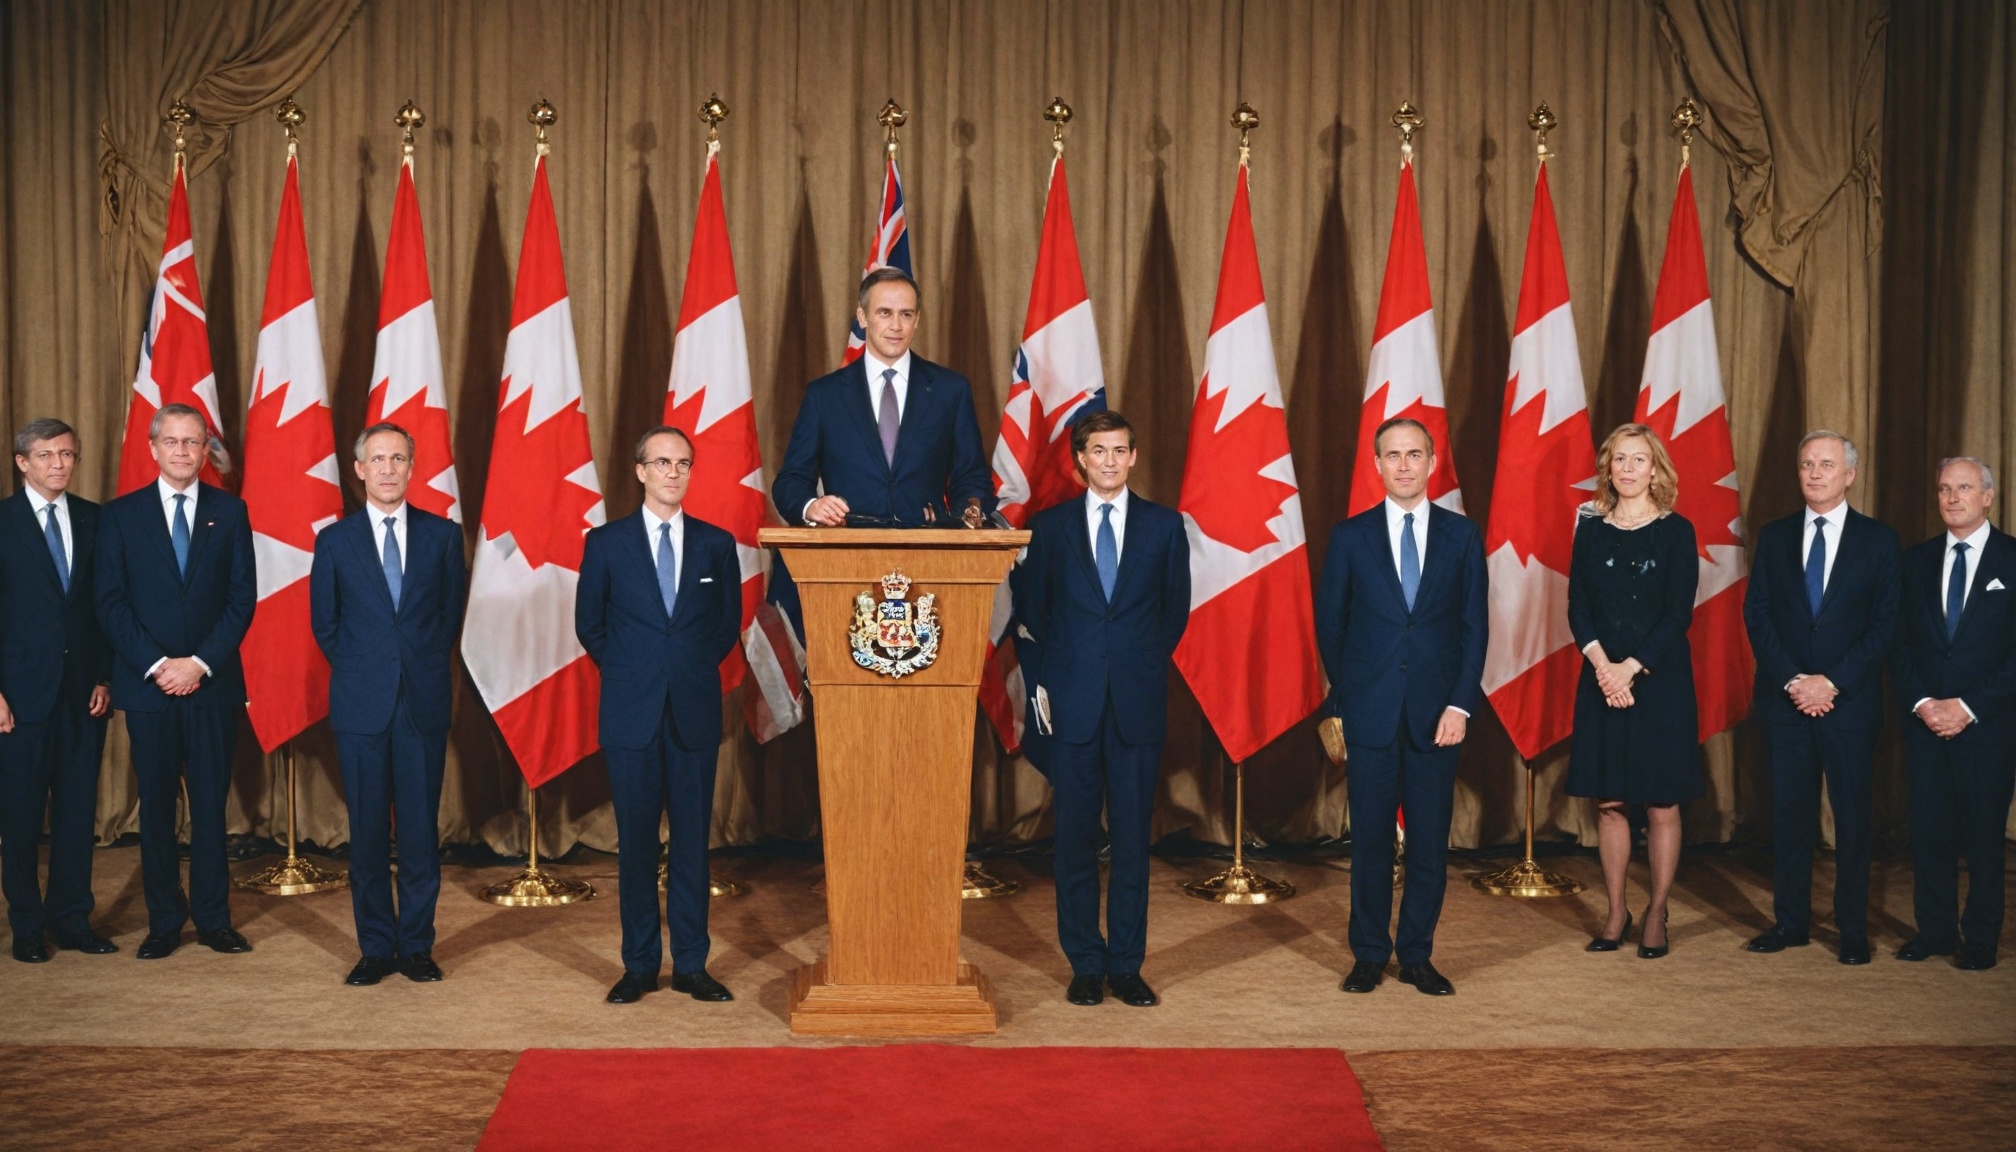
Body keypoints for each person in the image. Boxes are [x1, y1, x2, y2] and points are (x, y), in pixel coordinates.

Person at [1010, 410, 1189, 1008]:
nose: (1109, 461)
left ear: (1134, 456)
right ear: (1079, 459)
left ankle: (1127, 966)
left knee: (1134, 842)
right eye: (1098, 451)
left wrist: (1129, 664)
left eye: (1120, 450)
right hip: (1074, 706)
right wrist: (1066, 674)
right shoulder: (1051, 528)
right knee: (1076, 842)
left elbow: (1173, 614)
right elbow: (1034, 612)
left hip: (1136, 705)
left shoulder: (1164, 528)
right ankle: (1085, 962)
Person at [1317, 417, 1487, 996]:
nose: (1405, 465)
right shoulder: (1350, 537)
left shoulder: (1462, 536)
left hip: (1437, 716)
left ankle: (1416, 954)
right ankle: (1368, 953)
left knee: (1429, 844)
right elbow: (1330, 629)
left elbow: (1474, 629)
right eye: (1394, 455)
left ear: (1432, 462)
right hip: (1370, 714)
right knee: (1367, 840)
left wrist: (1460, 706)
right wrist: (1352, 696)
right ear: (1377, 465)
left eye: (1415, 454)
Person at [577, 426, 741, 1005]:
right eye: (663, 462)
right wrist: (634, 670)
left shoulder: (717, 545)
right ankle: (641, 964)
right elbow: (589, 626)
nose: (674, 473)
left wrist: (683, 668)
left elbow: (725, 627)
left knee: (694, 844)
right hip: (631, 714)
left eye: (684, 464)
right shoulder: (606, 544)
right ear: (640, 471)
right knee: (638, 845)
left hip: (693, 713)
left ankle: (693, 964)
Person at [96, 403, 257, 960]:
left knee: (212, 806)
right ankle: (164, 921)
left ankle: (214, 919)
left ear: (204, 448)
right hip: (148, 688)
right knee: (157, 807)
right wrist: (160, 666)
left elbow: (242, 600)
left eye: (193, 442)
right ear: (153, 448)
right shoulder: (119, 516)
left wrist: (199, 664)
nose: (183, 452)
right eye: (172, 442)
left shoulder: (230, 513)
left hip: (211, 684)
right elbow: (111, 603)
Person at [309, 423, 467, 987]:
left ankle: (417, 946)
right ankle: (375, 947)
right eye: (377, 458)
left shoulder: (443, 537)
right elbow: (325, 625)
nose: (387, 469)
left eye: (398, 458)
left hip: (422, 703)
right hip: (360, 706)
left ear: (411, 467)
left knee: (421, 832)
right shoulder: (334, 541)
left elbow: (448, 619)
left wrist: (411, 663)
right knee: (370, 832)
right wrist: (368, 667)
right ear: (359, 469)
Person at [1742, 430, 1899, 965]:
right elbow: (1757, 616)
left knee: (1852, 820)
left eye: (1826, 465)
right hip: (1787, 704)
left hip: (1848, 705)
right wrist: (1794, 682)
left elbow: (1884, 625)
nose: (1814, 473)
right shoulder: (1775, 535)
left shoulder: (1878, 541)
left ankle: (1852, 929)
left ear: (1849, 475)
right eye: (1807, 463)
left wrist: (1830, 682)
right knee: (1790, 817)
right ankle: (1790, 923)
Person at [1564, 424, 1701, 959]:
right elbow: (1577, 606)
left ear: (1655, 469)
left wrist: (1630, 670)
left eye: (1638, 460)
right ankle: (1617, 909)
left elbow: (1677, 614)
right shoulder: (1591, 528)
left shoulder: (1677, 531)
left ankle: (1657, 909)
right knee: (1612, 801)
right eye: (1619, 459)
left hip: (1659, 681)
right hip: (1602, 678)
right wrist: (1604, 668)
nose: (1627, 469)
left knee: (1662, 802)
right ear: (1609, 467)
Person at [1888, 456, 2014, 971]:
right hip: (1925, 723)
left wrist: (1967, 706)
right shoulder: (1914, 561)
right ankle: (1934, 931)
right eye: (1944, 489)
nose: (1952, 498)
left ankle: (1980, 937)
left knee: (1984, 835)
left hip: (1988, 725)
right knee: (1930, 831)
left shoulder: (2013, 559)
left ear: (1988, 496)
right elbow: (1897, 643)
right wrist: (1923, 703)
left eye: (1964, 488)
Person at [1, 419, 114, 962]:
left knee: (75, 815)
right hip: (19, 700)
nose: (59, 465)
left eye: (67, 454)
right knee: (20, 817)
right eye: (46, 455)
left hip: (82, 696)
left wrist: (105, 676)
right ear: (22, 462)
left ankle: (71, 919)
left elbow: (109, 609)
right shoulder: (1, 523)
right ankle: (26, 925)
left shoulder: (96, 520)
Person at [771, 267, 992, 529]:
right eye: (885, 313)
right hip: (846, 555)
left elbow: (972, 477)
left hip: (929, 553)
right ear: (862, 317)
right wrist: (812, 507)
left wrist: (970, 512)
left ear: (917, 319)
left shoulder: (951, 390)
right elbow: (791, 481)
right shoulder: (824, 395)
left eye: (906, 314)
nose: (896, 326)